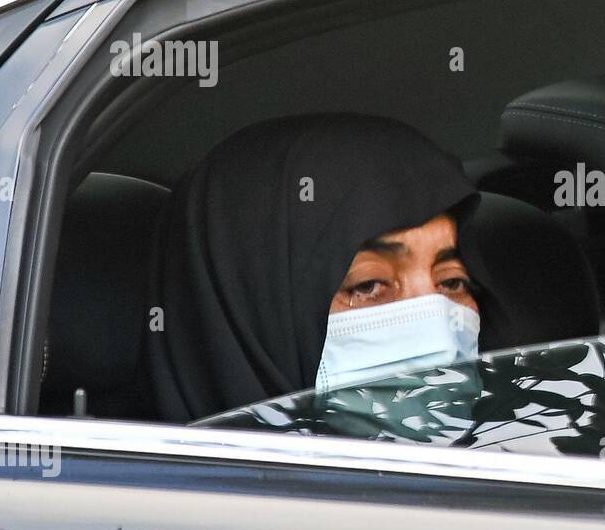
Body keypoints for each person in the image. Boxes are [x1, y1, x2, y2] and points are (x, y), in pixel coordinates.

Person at [145, 113, 494, 421]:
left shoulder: (511, 461)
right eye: (368, 286)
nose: (440, 339)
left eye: (452, 283)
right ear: (249, 307)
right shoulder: (129, 491)